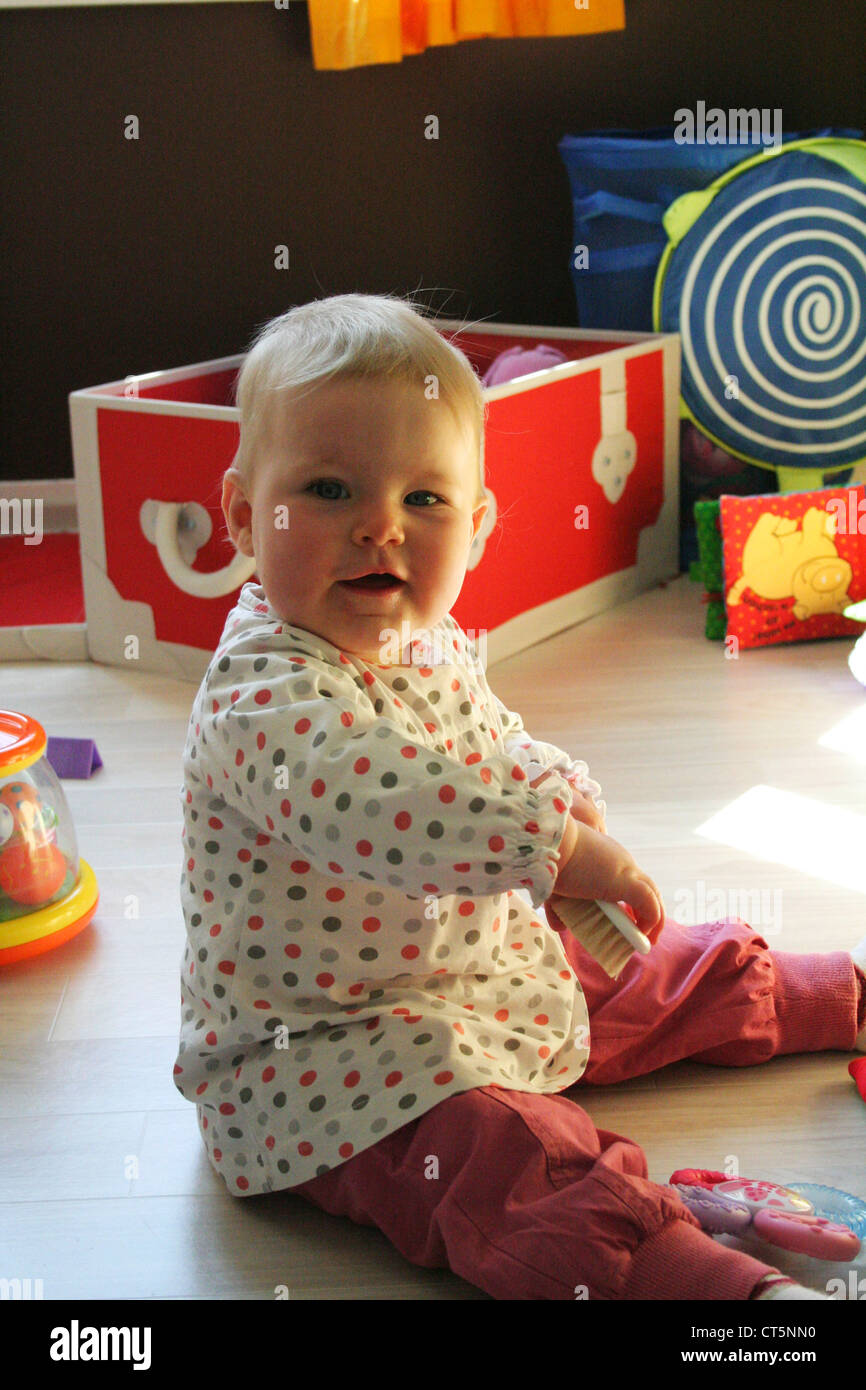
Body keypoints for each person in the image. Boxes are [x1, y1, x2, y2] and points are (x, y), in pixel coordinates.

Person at [172, 292, 866, 1301]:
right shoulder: (261, 694)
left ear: (478, 524)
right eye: (327, 489)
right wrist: (543, 844)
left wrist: (554, 793)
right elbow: (373, 796)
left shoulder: (426, 637)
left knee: (648, 965)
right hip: (325, 1054)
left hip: (478, 963)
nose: (377, 526)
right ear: (243, 514)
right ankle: (717, 1293)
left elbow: (490, 741)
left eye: (423, 500)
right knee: (504, 1152)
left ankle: (837, 993)